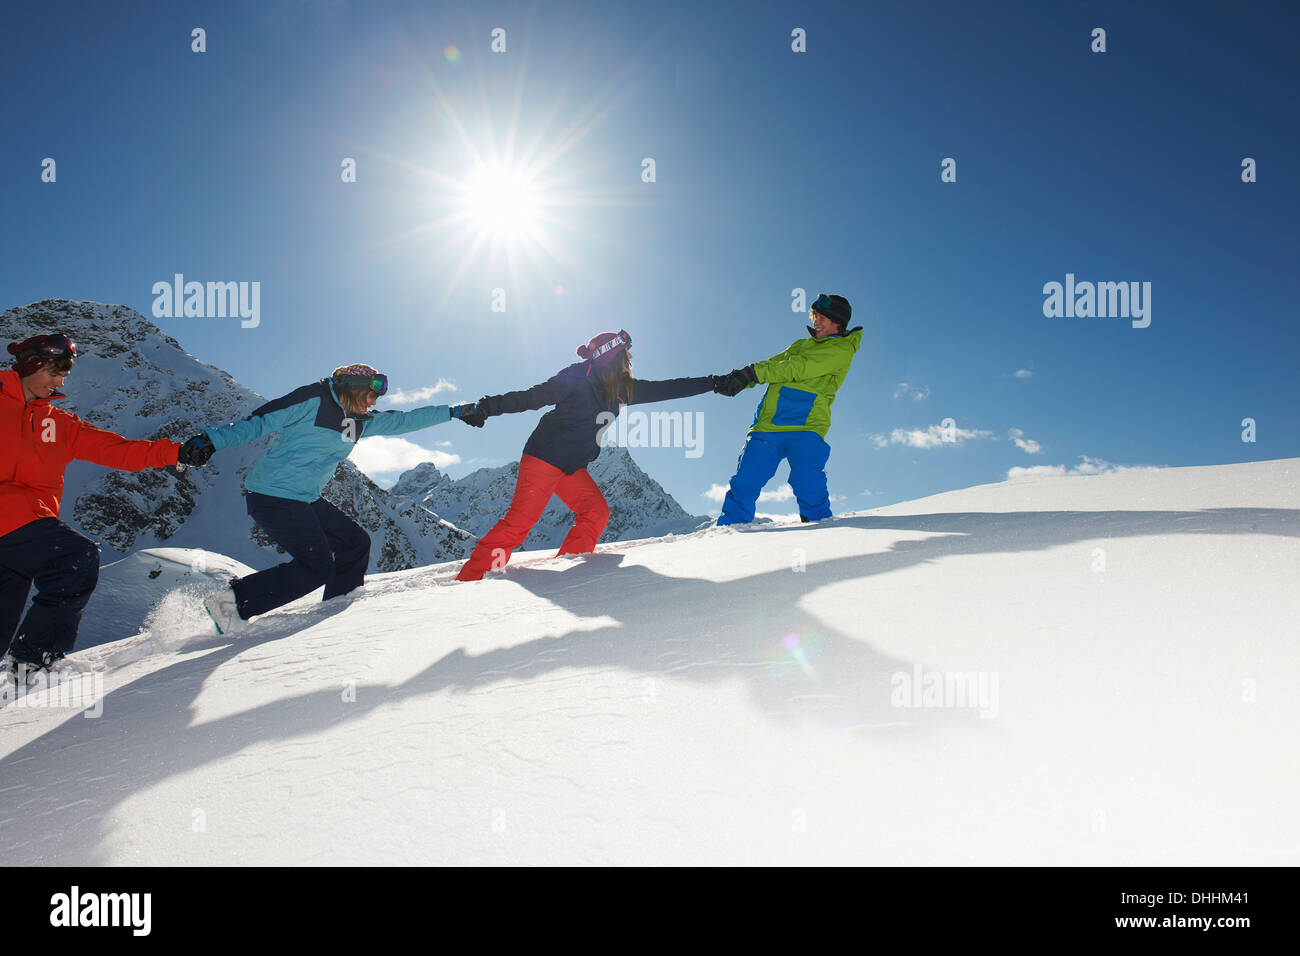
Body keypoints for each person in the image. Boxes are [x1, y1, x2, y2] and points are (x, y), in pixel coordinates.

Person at [184, 364, 481, 633]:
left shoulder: (358, 420)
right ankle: (231, 603)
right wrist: (210, 441)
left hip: (305, 498)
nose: (375, 402)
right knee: (316, 565)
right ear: (353, 389)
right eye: (371, 394)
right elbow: (259, 422)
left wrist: (456, 412)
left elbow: (405, 420)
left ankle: (335, 611)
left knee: (356, 543)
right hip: (272, 495)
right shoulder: (312, 400)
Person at [1, 333, 205, 689]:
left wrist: (175, 453)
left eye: (65, 373)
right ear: (32, 364)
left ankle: (18, 682)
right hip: (16, 522)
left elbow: (116, 450)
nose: (61, 381)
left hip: (23, 535)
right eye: (54, 371)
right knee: (75, 559)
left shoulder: (58, 423)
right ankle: (34, 661)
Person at [455, 331, 717, 581]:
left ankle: (571, 568)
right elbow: (532, 397)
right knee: (519, 524)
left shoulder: (622, 390)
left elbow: (670, 388)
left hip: (571, 468)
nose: (630, 361)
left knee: (596, 512)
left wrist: (715, 383)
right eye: (626, 355)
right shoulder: (576, 376)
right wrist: (486, 408)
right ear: (613, 356)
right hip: (543, 459)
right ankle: (471, 580)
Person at [712, 293, 861, 525]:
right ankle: (731, 529)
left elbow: (798, 368)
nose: (817, 321)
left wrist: (752, 374)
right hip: (769, 424)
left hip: (806, 426)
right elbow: (773, 365)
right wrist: (740, 378)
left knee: (807, 480)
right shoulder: (801, 345)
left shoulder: (842, 349)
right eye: (815, 315)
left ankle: (820, 528)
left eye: (823, 317)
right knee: (745, 481)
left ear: (838, 322)